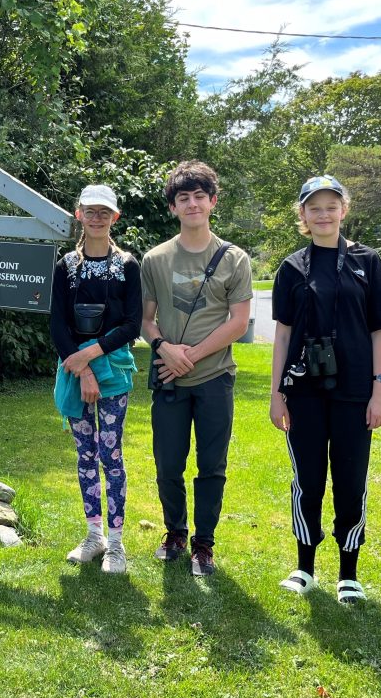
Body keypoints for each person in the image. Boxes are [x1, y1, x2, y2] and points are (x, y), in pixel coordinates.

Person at [269, 176, 381, 604]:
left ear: (344, 210)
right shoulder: (292, 268)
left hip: (355, 392)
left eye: (331, 206)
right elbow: (283, 336)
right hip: (304, 391)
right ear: (302, 215)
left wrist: (379, 390)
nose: (323, 214)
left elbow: (380, 332)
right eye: (314, 207)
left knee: (351, 479)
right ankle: (304, 567)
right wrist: (276, 393)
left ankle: (349, 573)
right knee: (307, 479)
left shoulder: (368, 262)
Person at [141, 161, 252, 576]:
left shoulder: (234, 258)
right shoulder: (155, 259)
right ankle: (175, 532)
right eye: (183, 198)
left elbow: (238, 322)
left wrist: (190, 355)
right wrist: (163, 348)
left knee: (212, 465)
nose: (192, 204)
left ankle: (204, 543)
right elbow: (146, 319)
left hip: (214, 379)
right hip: (169, 380)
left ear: (212, 202)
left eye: (199, 196)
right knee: (168, 464)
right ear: (173, 207)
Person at [50, 184, 141, 574]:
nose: (98, 217)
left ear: (115, 217)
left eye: (105, 212)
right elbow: (56, 323)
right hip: (75, 371)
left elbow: (132, 324)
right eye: (91, 211)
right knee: (85, 454)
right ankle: (94, 535)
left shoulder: (128, 266)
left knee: (111, 454)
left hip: (114, 369)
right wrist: (82, 367)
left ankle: (117, 543)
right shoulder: (65, 266)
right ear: (79, 214)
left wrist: (92, 354)